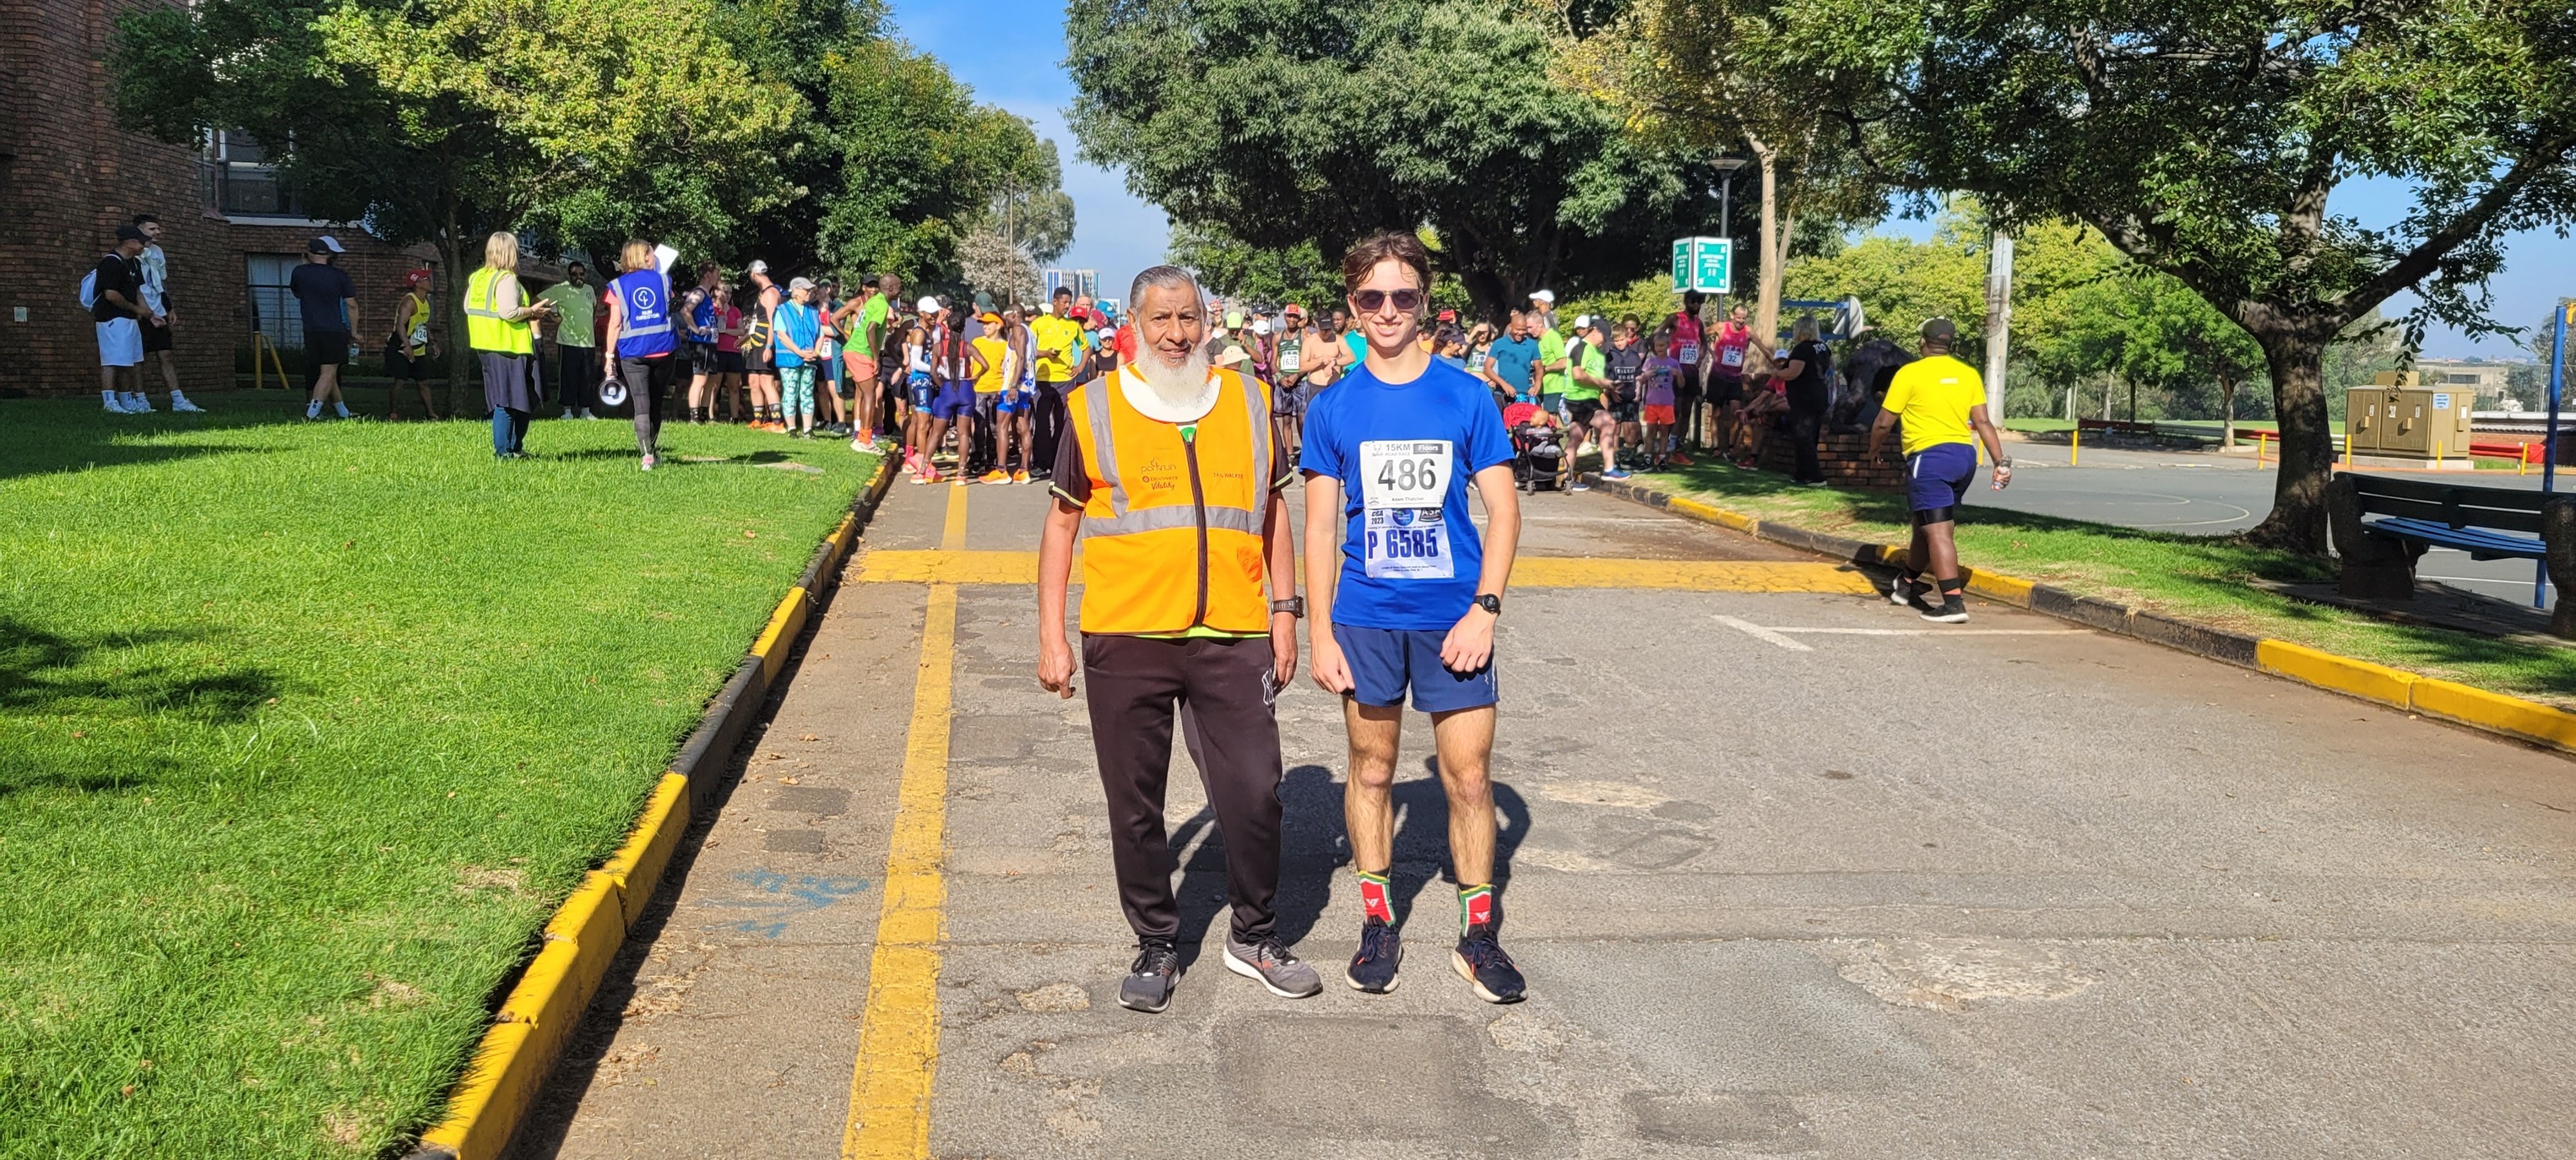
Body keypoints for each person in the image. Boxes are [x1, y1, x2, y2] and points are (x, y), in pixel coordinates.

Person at [1035, 263, 1318, 1014]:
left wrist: (1285, 614)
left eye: (1188, 317)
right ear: (1132, 325)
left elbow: (1272, 513)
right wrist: (1050, 636)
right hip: (1126, 636)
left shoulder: (1250, 401)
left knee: (1255, 791)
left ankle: (1253, 935)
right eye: (1160, 319)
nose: (1176, 333)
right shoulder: (1093, 407)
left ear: (1207, 322)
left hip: (1233, 633)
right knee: (1135, 803)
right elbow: (1062, 524)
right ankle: (1157, 941)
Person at [1302, 230, 1525, 1004]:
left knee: (1467, 779)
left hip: (1452, 620)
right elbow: (1320, 529)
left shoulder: (1465, 395)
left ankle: (1478, 936)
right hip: (1364, 618)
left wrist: (1484, 611)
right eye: (1372, 297)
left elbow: (1501, 511)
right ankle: (1376, 921)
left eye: (1403, 295)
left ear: (1424, 300)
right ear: (1352, 308)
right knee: (1370, 770)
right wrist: (1320, 632)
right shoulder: (1331, 406)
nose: (1388, 310)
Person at [1868, 317, 2011, 623]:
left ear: (1922, 342)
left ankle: (1952, 604)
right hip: (1963, 457)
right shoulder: (1967, 374)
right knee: (1927, 525)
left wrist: (1873, 450)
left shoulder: (1910, 373)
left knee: (1939, 533)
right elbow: (1983, 422)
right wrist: (2000, 461)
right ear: (1951, 345)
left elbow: (1883, 422)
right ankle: (1905, 585)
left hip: (1929, 458)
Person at [463, 230, 555, 458]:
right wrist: (532, 311)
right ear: (509, 252)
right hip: (510, 346)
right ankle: (505, 451)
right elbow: (509, 312)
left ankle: (511, 449)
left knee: (504, 399)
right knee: (511, 401)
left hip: (485, 344)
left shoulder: (478, 277)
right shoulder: (506, 279)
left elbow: (467, 308)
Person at [598, 239, 676, 468]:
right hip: (663, 348)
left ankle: (647, 455)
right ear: (644, 256)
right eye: (652, 254)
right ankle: (652, 448)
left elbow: (614, 324)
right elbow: (668, 305)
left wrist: (609, 358)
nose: (655, 259)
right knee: (656, 403)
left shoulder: (617, 286)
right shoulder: (664, 279)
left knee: (641, 403)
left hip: (632, 352)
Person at [131, 215, 205, 413]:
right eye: (152, 229)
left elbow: (159, 283)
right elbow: (136, 287)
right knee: (139, 357)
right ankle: (140, 399)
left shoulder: (157, 252)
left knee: (166, 355)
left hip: (159, 311)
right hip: (141, 313)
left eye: (158, 229)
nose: (157, 233)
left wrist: (169, 307)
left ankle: (178, 399)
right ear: (139, 230)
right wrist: (144, 312)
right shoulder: (132, 254)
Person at [290, 236, 361, 420]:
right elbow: (352, 304)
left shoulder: (299, 273)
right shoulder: (339, 276)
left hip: (311, 329)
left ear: (309, 253)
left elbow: (297, 292)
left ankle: (344, 412)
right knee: (329, 373)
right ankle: (312, 413)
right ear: (329, 254)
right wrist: (354, 331)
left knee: (327, 372)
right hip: (334, 329)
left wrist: (306, 264)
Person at [923, 297, 986, 485]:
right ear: (963, 327)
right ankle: (961, 474)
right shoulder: (967, 347)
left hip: (948, 388)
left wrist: (941, 384)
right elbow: (985, 364)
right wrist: (975, 377)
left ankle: (922, 469)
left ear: (948, 327)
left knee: (936, 432)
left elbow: (933, 371)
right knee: (964, 433)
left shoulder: (938, 347)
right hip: (966, 388)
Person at [93, 225, 150, 415]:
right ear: (130, 243)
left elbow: (138, 289)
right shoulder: (111, 263)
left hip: (129, 319)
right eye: (141, 242)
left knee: (128, 360)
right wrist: (136, 308)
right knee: (112, 359)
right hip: (111, 318)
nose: (144, 246)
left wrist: (143, 311)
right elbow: (111, 295)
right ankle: (109, 401)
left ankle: (127, 400)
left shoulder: (134, 263)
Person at [1562, 316, 1623, 485]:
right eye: (1604, 337)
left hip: (1585, 397)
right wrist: (1601, 382)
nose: (1604, 342)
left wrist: (1608, 387)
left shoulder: (1592, 351)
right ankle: (1609, 469)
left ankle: (1567, 478)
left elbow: (1591, 375)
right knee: (1609, 423)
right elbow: (1578, 374)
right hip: (1581, 398)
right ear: (1595, 331)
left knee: (1575, 437)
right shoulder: (1581, 348)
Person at [535, 263, 598, 420]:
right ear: (569, 275)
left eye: (581, 274)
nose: (578, 277)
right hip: (568, 341)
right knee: (568, 377)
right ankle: (567, 411)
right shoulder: (560, 289)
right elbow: (536, 301)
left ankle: (585, 411)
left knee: (588, 377)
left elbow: (594, 310)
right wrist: (550, 315)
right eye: (574, 274)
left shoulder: (589, 290)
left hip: (588, 343)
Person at [837, 277, 888, 451]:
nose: (901, 291)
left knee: (866, 394)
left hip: (856, 351)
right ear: (891, 288)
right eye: (899, 288)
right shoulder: (880, 305)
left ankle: (862, 436)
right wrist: (875, 357)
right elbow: (870, 329)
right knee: (869, 395)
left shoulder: (872, 303)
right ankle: (864, 439)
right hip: (861, 352)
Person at [1782, 314, 1833, 486]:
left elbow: (1793, 373)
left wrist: (1777, 373)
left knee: (1803, 436)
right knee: (1811, 435)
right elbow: (1831, 365)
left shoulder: (1802, 349)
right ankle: (1801, 473)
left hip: (1805, 397)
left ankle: (1817, 476)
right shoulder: (1823, 347)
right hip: (1820, 395)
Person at [770, 277, 824, 438]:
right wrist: (799, 352)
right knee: (791, 392)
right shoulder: (782, 310)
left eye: (811, 290)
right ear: (795, 291)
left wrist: (817, 351)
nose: (810, 293)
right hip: (790, 359)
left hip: (810, 359)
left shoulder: (813, 311)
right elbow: (781, 335)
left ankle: (808, 429)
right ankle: (792, 428)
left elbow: (820, 333)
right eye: (806, 290)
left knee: (807, 392)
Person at [386, 270, 445, 420]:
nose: (429, 280)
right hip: (400, 347)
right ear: (417, 284)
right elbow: (400, 325)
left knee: (423, 382)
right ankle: (393, 413)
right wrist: (406, 346)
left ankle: (431, 414)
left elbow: (423, 325)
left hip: (418, 348)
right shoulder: (410, 302)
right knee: (400, 380)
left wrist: (433, 343)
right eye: (426, 278)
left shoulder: (426, 301)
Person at [969, 310, 1017, 480]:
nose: (985, 327)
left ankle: (992, 459)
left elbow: (1007, 368)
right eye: (983, 324)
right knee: (979, 425)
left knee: (994, 427)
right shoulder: (977, 342)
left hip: (997, 389)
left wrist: (1005, 387)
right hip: (979, 389)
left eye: (989, 323)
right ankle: (976, 457)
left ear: (998, 325)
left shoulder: (1005, 346)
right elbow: (971, 364)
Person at [1706, 302, 1756, 456]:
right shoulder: (1721, 327)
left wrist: (1774, 362)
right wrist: (1710, 352)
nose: (1740, 321)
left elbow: (1762, 347)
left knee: (1736, 412)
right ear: (1732, 315)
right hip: (1718, 376)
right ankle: (1716, 448)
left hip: (1735, 378)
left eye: (1744, 318)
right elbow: (1700, 334)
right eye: (1738, 317)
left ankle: (1729, 447)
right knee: (1717, 413)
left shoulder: (1747, 332)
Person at [678, 262, 724, 424]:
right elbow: (685, 310)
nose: (718, 277)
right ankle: (694, 416)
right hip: (700, 342)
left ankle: (705, 415)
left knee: (711, 378)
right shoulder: (698, 293)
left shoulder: (708, 294)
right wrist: (695, 329)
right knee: (700, 378)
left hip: (710, 341)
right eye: (716, 273)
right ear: (707, 275)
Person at [743, 260, 783, 431]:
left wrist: (769, 346)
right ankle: (758, 420)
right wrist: (746, 337)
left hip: (765, 343)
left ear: (754, 274)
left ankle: (777, 422)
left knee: (767, 381)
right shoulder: (761, 293)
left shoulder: (770, 293)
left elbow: (773, 321)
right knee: (753, 381)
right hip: (754, 342)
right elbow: (757, 320)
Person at [1640, 328, 1681, 471]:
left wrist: (1677, 374)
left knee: (1664, 432)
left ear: (1668, 345)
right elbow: (1641, 380)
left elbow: (1682, 383)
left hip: (1667, 402)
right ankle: (1647, 457)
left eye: (1662, 345)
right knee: (1651, 431)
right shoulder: (1650, 361)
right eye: (1657, 346)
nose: (1660, 348)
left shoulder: (1673, 363)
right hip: (1652, 402)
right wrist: (1647, 375)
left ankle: (1662, 458)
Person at [1668, 292, 1706, 450]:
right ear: (1686, 302)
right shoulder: (1675, 318)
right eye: (1692, 302)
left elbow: (1704, 343)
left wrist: (1700, 359)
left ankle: (1680, 442)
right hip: (1676, 371)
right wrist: (1661, 356)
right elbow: (1657, 333)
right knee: (1675, 408)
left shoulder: (1699, 323)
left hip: (1691, 372)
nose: (1696, 305)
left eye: (1699, 302)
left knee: (1687, 409)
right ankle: (1670, 439)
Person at [1483, 311, 1540, 406]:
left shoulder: (1532, 345)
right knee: (1498, 419)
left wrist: (1536, 387)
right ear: (1510, 327)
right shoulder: (1499, 344)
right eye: (1517, 329)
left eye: (1523, 329)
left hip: (1525, 394)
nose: (1520, 333)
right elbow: (1487, 369)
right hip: (1502, 393)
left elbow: (1539, 369)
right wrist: (1504, 384)